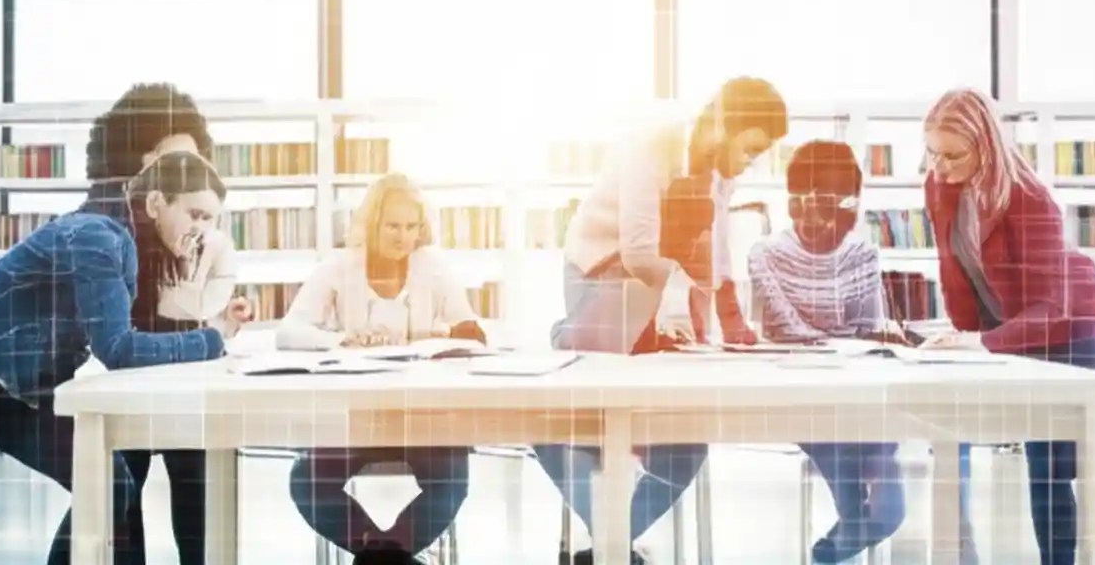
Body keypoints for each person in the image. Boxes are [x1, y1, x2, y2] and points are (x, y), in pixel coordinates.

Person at [0, 151, 240, 565]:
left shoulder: (122, 241)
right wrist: (214, 337)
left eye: (211, 220)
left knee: (112, 486)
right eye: (197, 215)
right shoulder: (99, 237)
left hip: (12, 390)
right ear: (155, 204)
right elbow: (118, 349)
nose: (203, 230)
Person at [534, 76, 789, 564]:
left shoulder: (718, 171)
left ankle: (609, 547)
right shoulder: (649, 149)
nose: (749, 162)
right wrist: (680, 295)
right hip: (603, 272)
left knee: (687, 438)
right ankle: (570, 340)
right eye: (751, 148)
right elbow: (636, 252)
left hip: (653, 287)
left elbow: (710, 252)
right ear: (725, 126)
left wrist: (726, 319)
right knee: (567, 418)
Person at [920, 88, 1095, 565]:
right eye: (932, 151)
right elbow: (953, 267)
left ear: (986, 145)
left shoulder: (1028, 197)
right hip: (1027, 333)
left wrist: (984, 342)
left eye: (953, 155)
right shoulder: (938, 185)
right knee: (1046, 467)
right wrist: (962, 339)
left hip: (1087, 329)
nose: (940, 166)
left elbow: (1054, 306)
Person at [275, 173, 484, 565]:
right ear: (372, 224)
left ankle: (383, 556)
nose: (403, 236)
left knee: (453, 474)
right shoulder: (339, 266)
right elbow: (288, 332)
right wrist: (340, 340)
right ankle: (387, 553)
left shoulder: (432, 267)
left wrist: (445, 338)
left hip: (421, 418)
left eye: (411, 226)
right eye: (393, 225)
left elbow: (470, 332)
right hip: (352, 418)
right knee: (307, 481)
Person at [83, 82, 249, 565]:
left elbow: (213, 288)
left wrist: (219, 314)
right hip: (132, 374)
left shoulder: (199, 229)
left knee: (198, 491)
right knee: (121, 497)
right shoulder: (109, 230)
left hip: (190, 375)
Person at [747, 140, 905, 562]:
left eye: (842, 202)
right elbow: (785, 329)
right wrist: (836, 344)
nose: (824, 215)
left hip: (861, 392)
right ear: (796, 202)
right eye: (811, 201)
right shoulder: (766, 255)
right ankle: (838, 542)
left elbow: (869, 327)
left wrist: (882, 341)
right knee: (845, 454)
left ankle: (833, 546)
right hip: (805, 395)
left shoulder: (864, 253)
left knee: (889, 509)